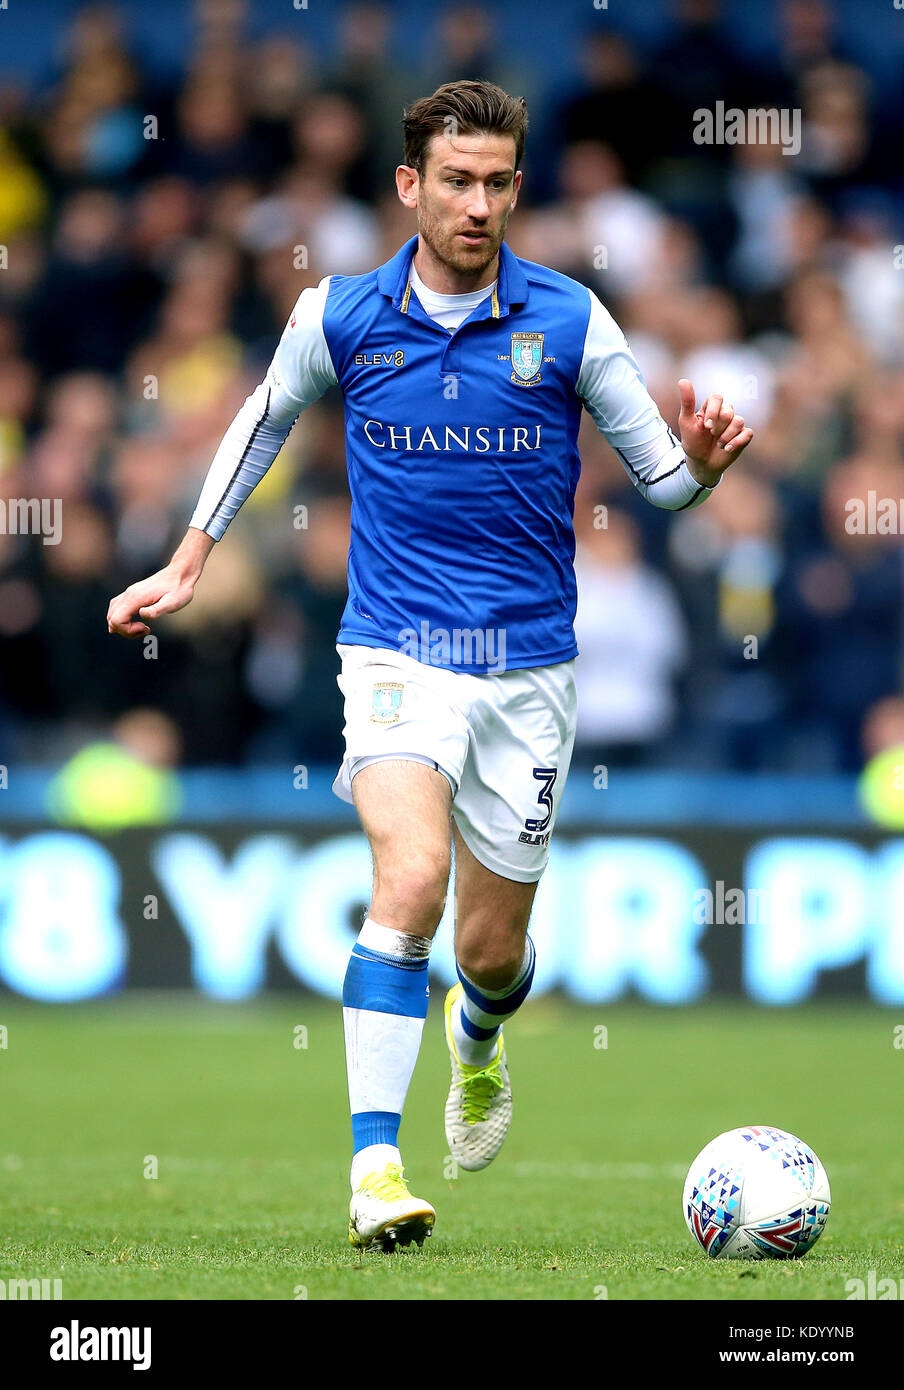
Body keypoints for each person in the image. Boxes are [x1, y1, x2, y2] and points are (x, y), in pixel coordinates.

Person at [107, 80, 752, 1251]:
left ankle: (480, 1039)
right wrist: (190, 560)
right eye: (454, 180)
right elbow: (257, 419)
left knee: (490, 952)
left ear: (517, 187)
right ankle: (373, 1168)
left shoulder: (569, 320)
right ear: (410, 186)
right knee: (406, 882)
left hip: (528, 672)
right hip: (397, 650)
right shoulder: (342, 314)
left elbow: (659, 478)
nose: (477, 202)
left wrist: (701, 466)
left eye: (498, 181)